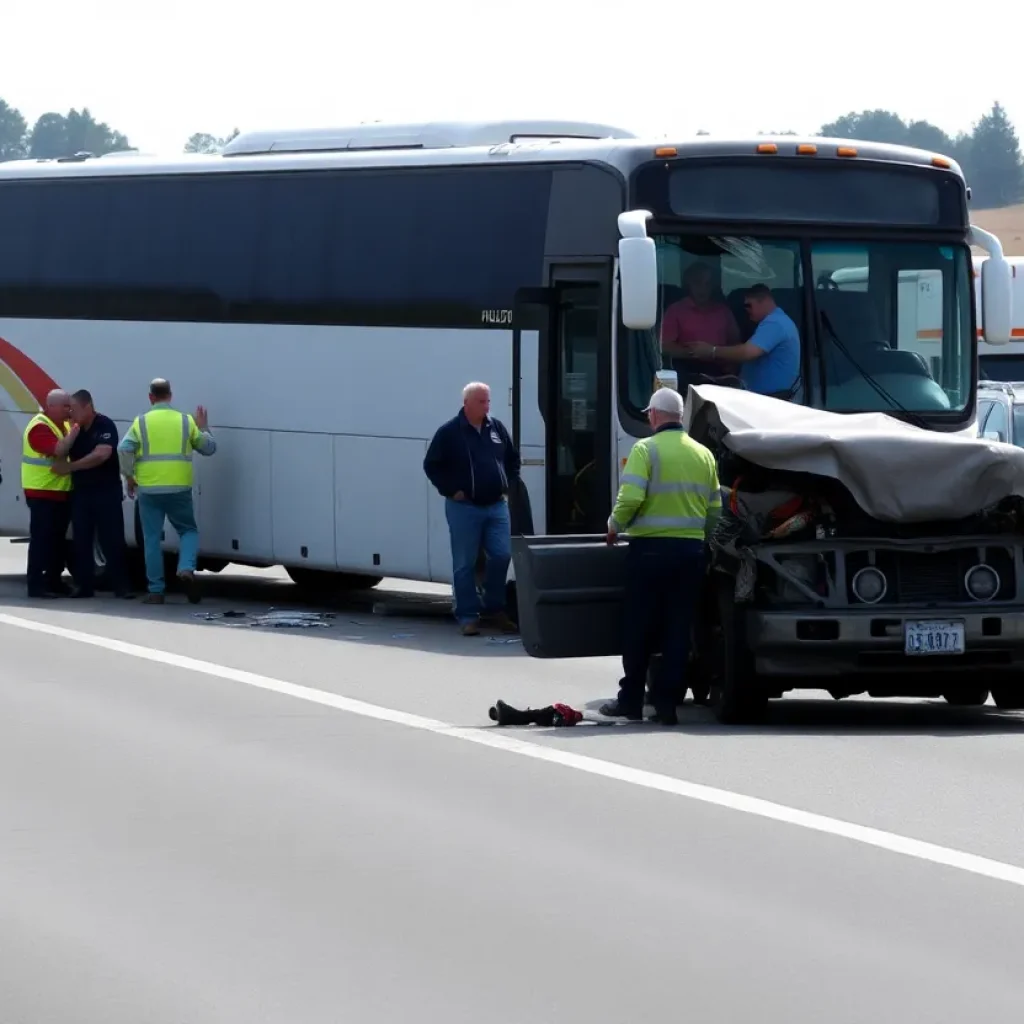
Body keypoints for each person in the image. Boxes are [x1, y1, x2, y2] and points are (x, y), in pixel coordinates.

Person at [600, 386, 722, 726]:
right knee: (677, 630)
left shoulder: (646, 449)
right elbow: (714, 510)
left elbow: (630, 498)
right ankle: (668, 706)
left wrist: (613, 525)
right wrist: (702, 540)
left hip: (649, 552)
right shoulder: (703, 455)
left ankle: (631, 701)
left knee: (639, 627)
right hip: (689, 553)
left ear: (653, 415)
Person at [423, 381, 520, 636]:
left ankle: (494, 609)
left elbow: (512, 459)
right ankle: (467, 616)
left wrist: (508, 484)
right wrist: (450, 489)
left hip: (496, 506)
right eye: (481, 401)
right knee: (464, 563)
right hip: (464, 507)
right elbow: (432, 465)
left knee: (501, 555)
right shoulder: (450, 432)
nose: (486, 406)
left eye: (488, 401)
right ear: (466, 403)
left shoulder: (496, 427)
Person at [117, 378, 216, 605]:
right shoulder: (184, 421)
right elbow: (208, 449)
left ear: (150, 397)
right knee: (188, 530)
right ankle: (186, 568)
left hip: (149, 490)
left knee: (151, 539)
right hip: (179, 489)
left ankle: (155, 590)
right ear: (170, 396)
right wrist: (203, 428)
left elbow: (123, 450)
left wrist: (129, 478)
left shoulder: (140, 423)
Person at [50, 390, 134, 599]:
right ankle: (84, 586)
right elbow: (59, 453)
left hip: (106, 492)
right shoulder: (74, 430)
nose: (71, 414)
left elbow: (102, 454)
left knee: (112, 540)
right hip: (81, 493)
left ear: (88, 407)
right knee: (82, 540)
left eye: (74, 409)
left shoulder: (104, 425)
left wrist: (72, 467)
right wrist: (71, 436)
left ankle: (121, 587)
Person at [679, 283, 800, 398]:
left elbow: (747, 352)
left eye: (749, 305)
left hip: (770, 400)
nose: (746, 310)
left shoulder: (775, 323)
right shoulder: (776, 322)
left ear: (764, 301)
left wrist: (711, 351)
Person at [21, 389, 77, 598]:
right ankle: (36, 585)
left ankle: (54, 580)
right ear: (51, 406)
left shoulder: (59, 425)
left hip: (59, 492)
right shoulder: (39, 427)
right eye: (64, 406)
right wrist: (74, 432)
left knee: (57, 541)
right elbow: (59, 451)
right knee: (41, 541)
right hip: (41, 493)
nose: (68, 410)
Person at [660, 262, 742, 384]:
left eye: (707, 284)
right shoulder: (676, 310)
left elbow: (736, 343)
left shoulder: (723, 311)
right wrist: (696, 352)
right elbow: (664, 347)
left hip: (720, 373)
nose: (702, 288)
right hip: (688, 372)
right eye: (697, 282)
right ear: (689, 284)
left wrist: (730, 364)